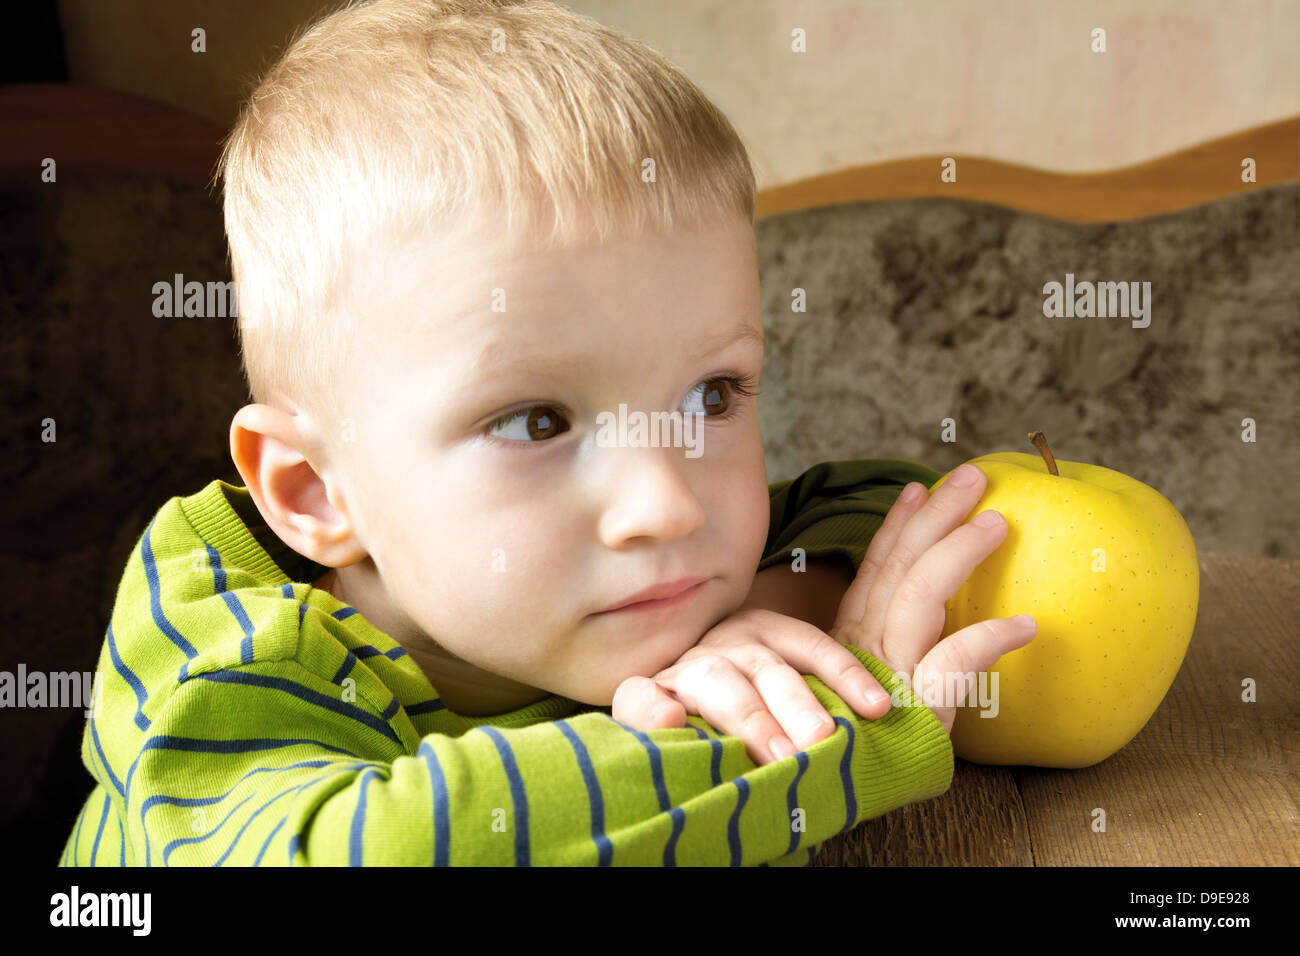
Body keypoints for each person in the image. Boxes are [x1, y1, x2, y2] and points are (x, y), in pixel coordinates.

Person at [60, 0, 1034, 866]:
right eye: (535, 420)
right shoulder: (222, 649)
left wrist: (768, 626)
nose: (667, 499)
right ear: (316, 489)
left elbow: (892, 508)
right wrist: (836, 721)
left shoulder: (638, 574)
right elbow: (376, 845)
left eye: (711, 395)